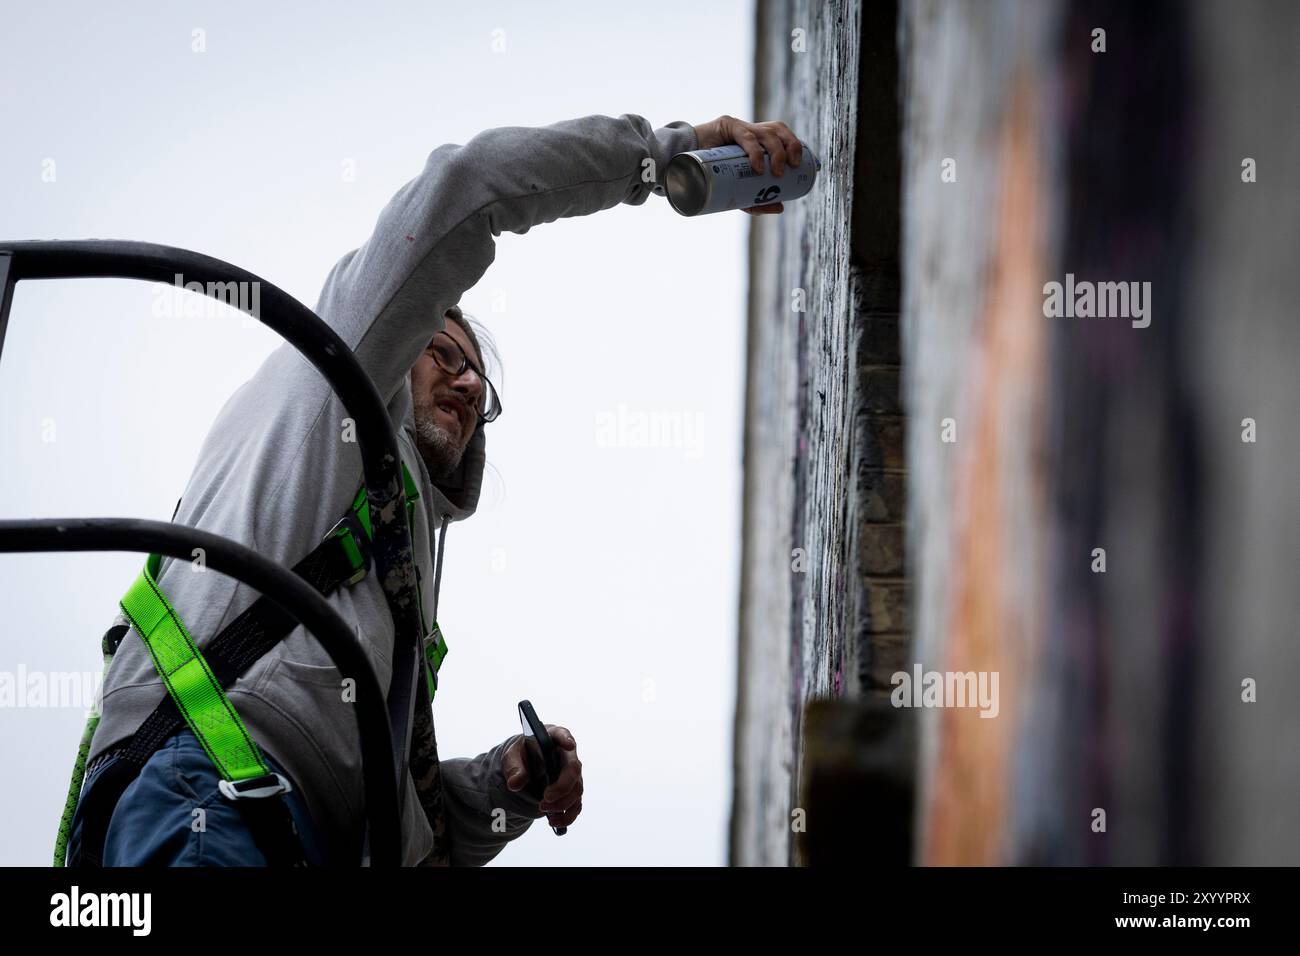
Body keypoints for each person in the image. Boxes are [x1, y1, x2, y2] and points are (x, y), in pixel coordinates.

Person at [66, 112, 802, 866]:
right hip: (204, 794)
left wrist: (502, 788)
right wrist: (666, 159)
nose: (469, 380)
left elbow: (400, 831)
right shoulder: (329, 390)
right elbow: (467, 187)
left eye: (479, 379)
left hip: (279, 825)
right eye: (444, 354)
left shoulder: (387, 578)